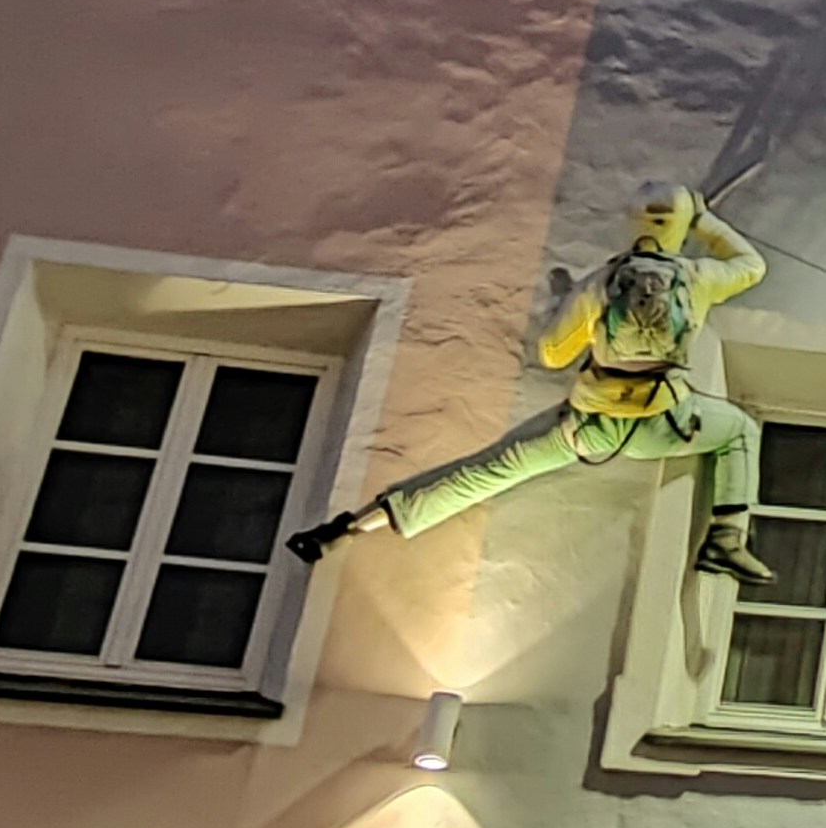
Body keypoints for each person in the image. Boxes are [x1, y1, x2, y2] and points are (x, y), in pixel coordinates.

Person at [286, 182, 775, 582]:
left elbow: (552, 352)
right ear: (678, 229)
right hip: (665, 422)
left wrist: (583, 319)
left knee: (486, 471)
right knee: (738, 431)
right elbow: (753, 267)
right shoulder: (697, 277)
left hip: (588, 426)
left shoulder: (600, 282)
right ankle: (727, 536)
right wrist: (706, 224)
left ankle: (352, 527)